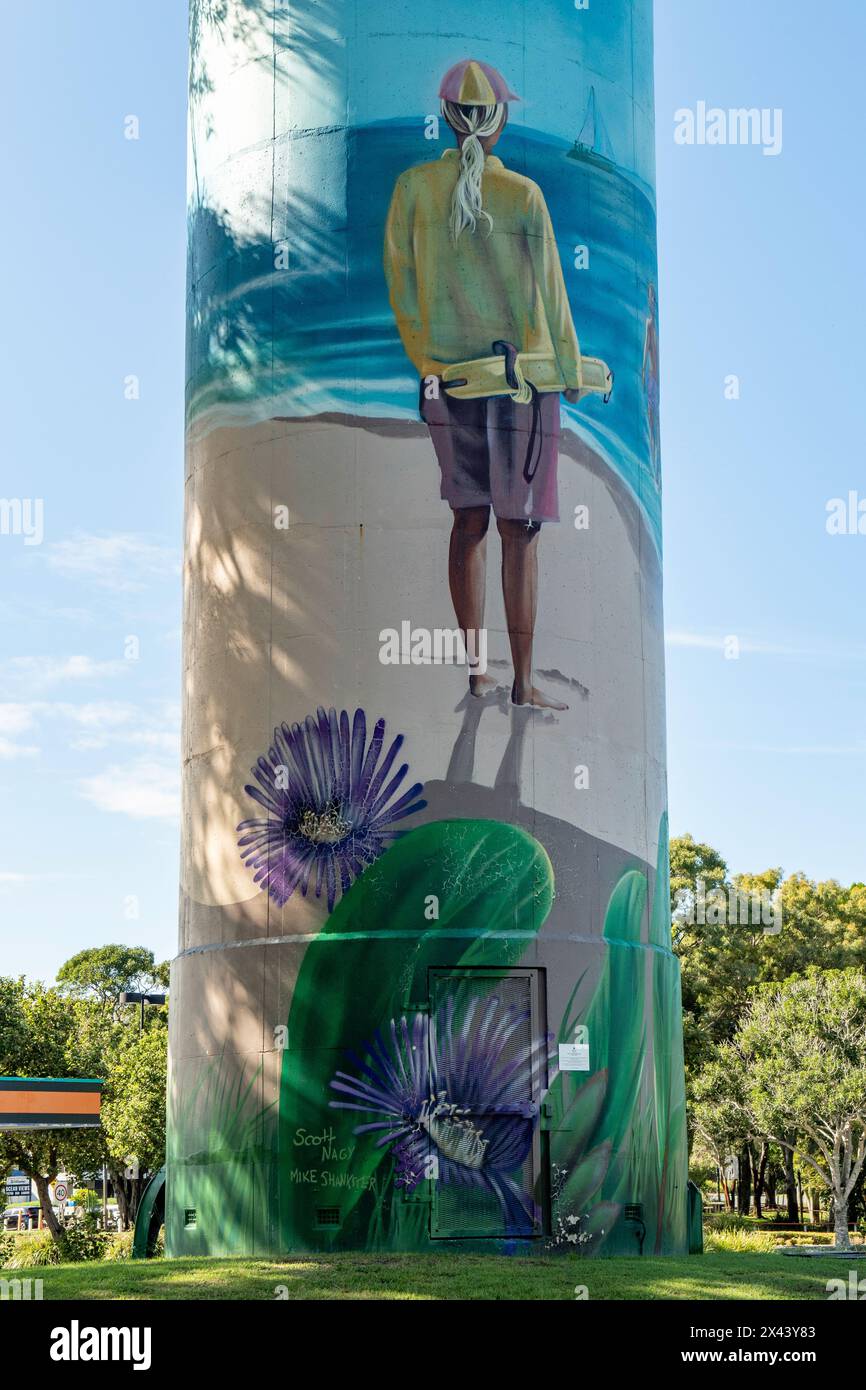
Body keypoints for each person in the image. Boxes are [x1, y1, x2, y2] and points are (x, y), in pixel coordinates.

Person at [385, 59, 590, 711]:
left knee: (467, 520)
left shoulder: (412, 189)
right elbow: (554, 301)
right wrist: (570, 373)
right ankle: (524, 685)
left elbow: (402, 290)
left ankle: (477, 675)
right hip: (521, 383)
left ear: (448, 117)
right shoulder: (523, 196)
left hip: (447, 385)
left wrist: (429, 362)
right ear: (499, 120)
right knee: (519, 530)